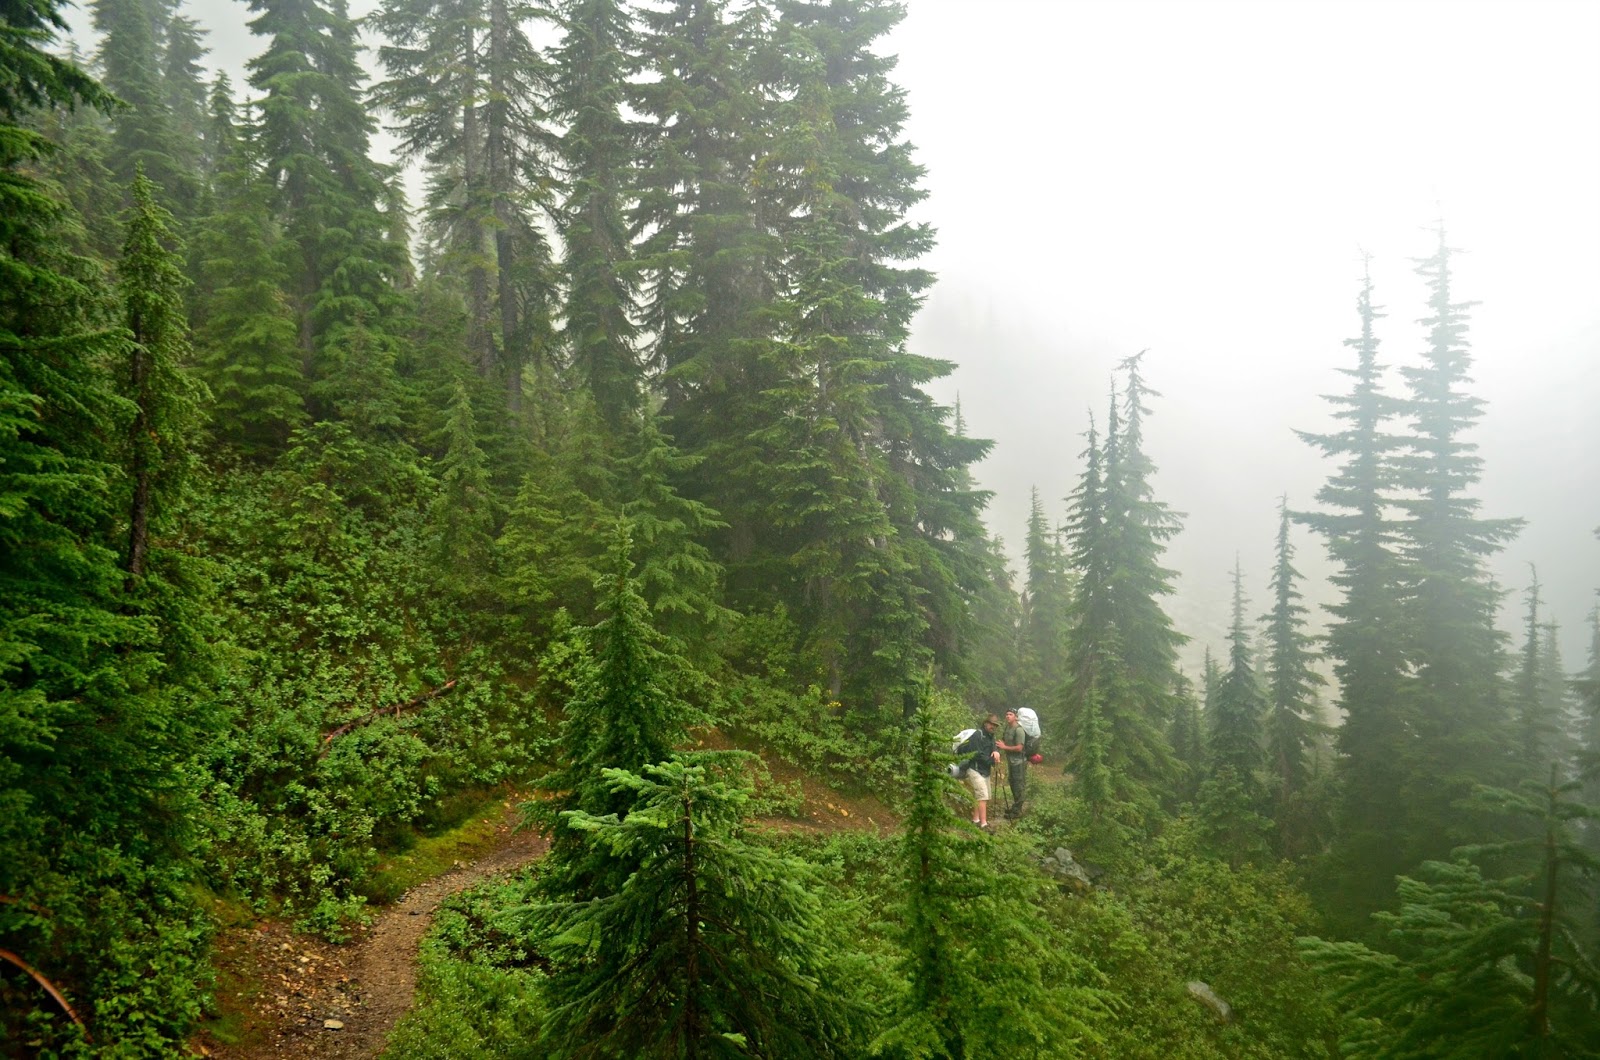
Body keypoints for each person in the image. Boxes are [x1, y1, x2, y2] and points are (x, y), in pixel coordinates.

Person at [955, 714, 1001, 828]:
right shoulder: (977, 735)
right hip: (974, 769)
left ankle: (976, 819)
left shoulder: (991, 736)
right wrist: (991, 761)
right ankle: (984, 824)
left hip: (984, 770)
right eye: (991, 724)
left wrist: (996, 751)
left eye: (995, 725)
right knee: (983, 796)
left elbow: (993, 747)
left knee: (980, 796)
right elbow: (976, 754)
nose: (993, 727)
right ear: (986, 723)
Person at [997, 708, 1028, 818]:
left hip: (1019, 762)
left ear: (1015, 717)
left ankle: (1017, 811)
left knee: (1018, 784)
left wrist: (1004, 747)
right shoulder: (1007, 728)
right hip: (1011, 761)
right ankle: (1015, 806)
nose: (1008, 716)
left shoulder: (1019, 730)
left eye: (1010, 714)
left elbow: (1020, 748)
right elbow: (1003, 742)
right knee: (1012, 782)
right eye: (1006, 714)